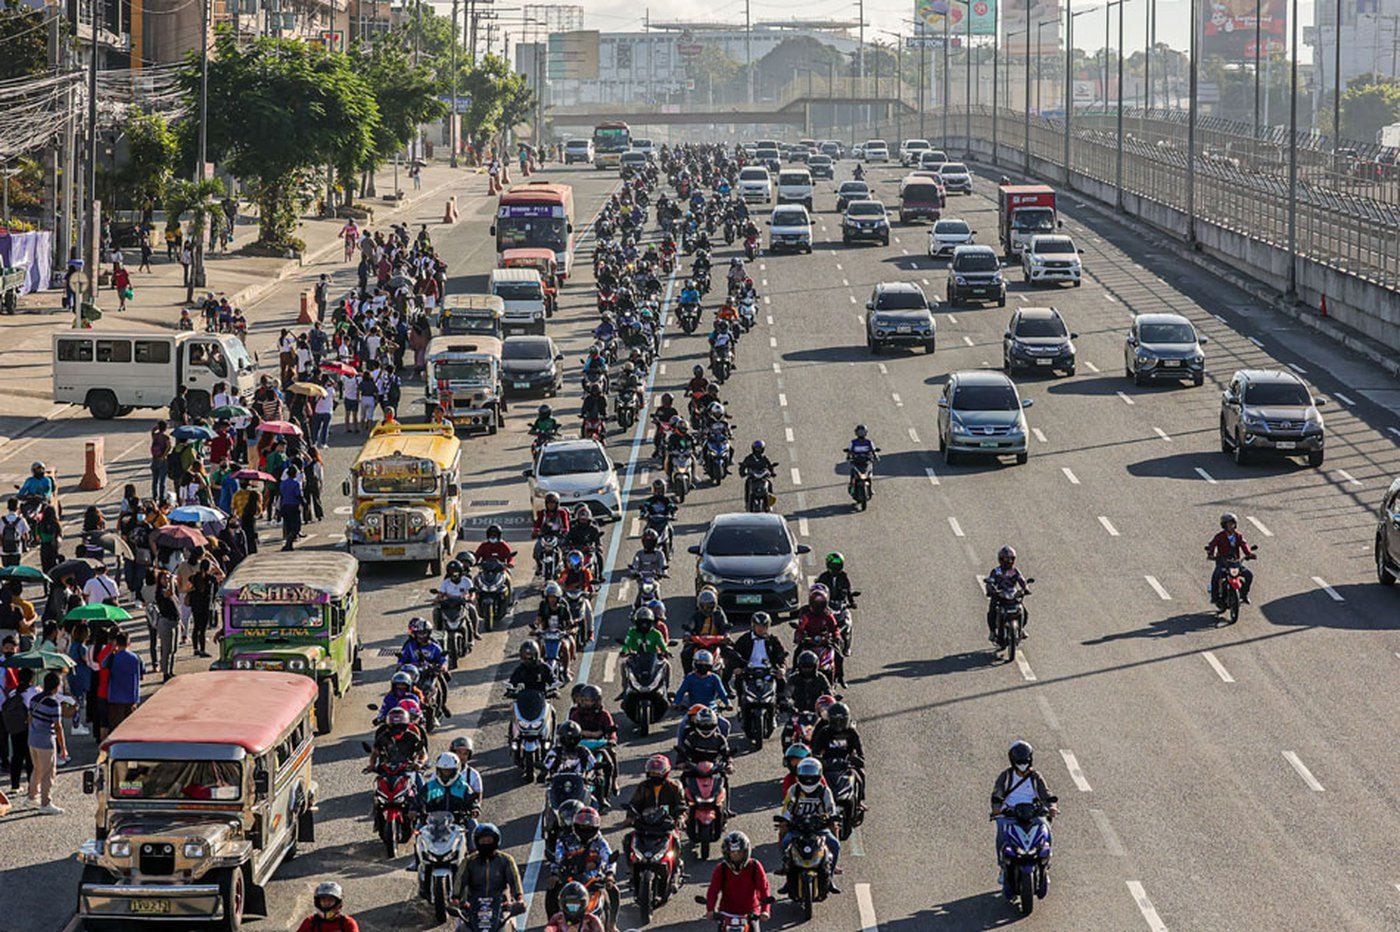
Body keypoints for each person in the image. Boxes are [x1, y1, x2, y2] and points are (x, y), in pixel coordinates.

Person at [991, 741, 1058, 886]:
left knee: (1046, 829)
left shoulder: (1036, 777)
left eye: (1025, 761)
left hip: (1033, 812)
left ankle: (1045, 866)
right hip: (1010, 813)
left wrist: (1052, 807)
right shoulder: (1006, 776)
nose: (1023, 764)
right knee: (1002, 831)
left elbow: (1046, 794)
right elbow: (997, 794)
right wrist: (997, 809)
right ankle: (1002, 867)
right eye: (1020, 761)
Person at [777, 759, 841, 891]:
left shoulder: (824, 791)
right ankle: (788, 876)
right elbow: (787, 808)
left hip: (819, 827)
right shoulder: (794, 790)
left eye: (811, 774)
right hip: (798, 827)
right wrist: (785, 820)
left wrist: (831, 818)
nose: (808, 777)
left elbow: (830, 808)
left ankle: (830, 878)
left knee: (835, 845)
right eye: (805, 774)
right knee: (785, 843)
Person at [548, 807, 618, 927]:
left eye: (589, 826)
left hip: (593, 881)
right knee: (551, 891)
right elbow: (557, 858)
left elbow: (609, 858)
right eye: (583, 825)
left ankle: (612, 925)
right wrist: (554, 874)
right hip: (569, 879)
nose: (586, 828)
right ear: (575, 825)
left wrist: (609, 875)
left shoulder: (600, 842)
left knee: (613, 890)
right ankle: (552, 924)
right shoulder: (565, 840)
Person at [409, 752, 480, 869]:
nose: (446, 774)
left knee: (473, 824)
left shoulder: (463, 786)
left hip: (457, 822)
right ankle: (418, 860)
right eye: (443, 771)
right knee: (418, 830)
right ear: (438, 770)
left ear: (455, 770)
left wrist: (474, 808)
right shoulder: (430, 786)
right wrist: (413, 809)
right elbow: (418, 799)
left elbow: (472, 800)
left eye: (449, 771)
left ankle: (474, 858)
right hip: (433, 823)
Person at [452, 823, 525, 916]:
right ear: (477, 842)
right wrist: (456, 899)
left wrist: (519, 899)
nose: (486, 843)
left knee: (510, 924)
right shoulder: (469, 861)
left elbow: (514, 880)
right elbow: (460, 880)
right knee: (461, 924)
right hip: (472, 907)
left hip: (503, 906)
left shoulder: (506, 860)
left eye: (489, 840)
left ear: (496, 841)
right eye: (483, 841)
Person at [705, 831, 771, 928]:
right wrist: (710, 909)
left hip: (750, 913)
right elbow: (713, 890)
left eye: (739, 852)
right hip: (727, 913)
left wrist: (765, 910)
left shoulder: (755, 866)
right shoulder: (721, 868)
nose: (736, 855)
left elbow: (763, 888)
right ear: (727, 853)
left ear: (746, 852)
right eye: (732, 853)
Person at [25, 671, 67, 814]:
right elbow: (58, 727)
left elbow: (30, 717)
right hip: (46, 741)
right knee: (48, 773)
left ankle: (32, 797)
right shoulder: (54, 703)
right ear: (57, 686)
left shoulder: (34, 699)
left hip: (33, 738)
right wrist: (63, 747)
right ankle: (46, 803)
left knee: (37, 769)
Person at [793, 586, 846, 687]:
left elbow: (835, 628)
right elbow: (800, 628)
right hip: (809, 641)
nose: (818, 605)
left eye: (821, 603)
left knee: (839, 656)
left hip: (824, 641)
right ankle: (794, 673)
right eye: (816, 603)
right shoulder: (806, 615)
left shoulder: (828, 615)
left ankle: (839, 677)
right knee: (797, 652)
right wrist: (799, 637)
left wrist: (836, 636)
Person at [984, 545, 1031, 643]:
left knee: (1024, 611)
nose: (1008, 561)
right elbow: (990, 581)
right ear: (1001, 559)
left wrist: (1025, 588)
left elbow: (1021, 580)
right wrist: (990, 590)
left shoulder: (1015, 571)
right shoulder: (996, 571)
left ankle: (1021, 629)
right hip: (1000, 595)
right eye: (1006, 559)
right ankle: (992, 632)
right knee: (992, 611)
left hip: (1012, 595)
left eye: (1010, 559)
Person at [1206, 512, 1254, 606]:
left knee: (1249, 575)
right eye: (1229, 524)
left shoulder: (1238, 536)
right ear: (1224, 525)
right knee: (1216, 576)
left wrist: (1249, 554)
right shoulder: (1219, 536)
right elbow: (1212, 545)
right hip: (1222, 562)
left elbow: (1244, 545)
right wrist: (1211, 554)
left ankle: (1244, 595)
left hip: (1235, 563)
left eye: (1232, 523)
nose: (1231, 526)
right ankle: (1214, 597)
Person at [102, 632, 144, 732]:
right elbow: (141, 675)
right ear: (128, 642)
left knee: (115, 728)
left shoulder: (113, 658)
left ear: (116, 643)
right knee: (129, 729)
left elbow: (103, 664)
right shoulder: (136, 658)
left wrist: (112, 651)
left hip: (115, 698)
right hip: (131, 698)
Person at [367, 706, 427, 771]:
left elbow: (423, 753)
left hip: (409, 769)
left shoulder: (412, 736)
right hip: (388, 770)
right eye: (394, 724)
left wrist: (420, 763)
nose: (397, 727)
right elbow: (375, 752)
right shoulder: (383, 737)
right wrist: (372, 764)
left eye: (400, 724)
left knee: (420, 777)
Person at [295, 881, 360, 932]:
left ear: (338, 903)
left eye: (330, 900)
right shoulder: (310, 922)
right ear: (318, 902)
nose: (326, 903)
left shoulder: (347, 923)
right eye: (323, 900)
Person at [532, 492, 570, 573]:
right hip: (545, 536)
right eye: (549, 503)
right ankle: (539, 566)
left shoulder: (562, 513)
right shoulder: (542, 513)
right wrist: (536, 531)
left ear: (557, 503)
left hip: (558, 536)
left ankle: (566, 568)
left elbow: (566, 525)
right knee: (537, 548)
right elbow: (537, 525)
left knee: (566, 550)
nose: (551, 505)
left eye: (553, 502)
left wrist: (564, 531)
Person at [279, 465, 304, 551]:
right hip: (293, 506)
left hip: (284, 506)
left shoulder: (283, 483)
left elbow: (281, 495)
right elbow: (298, 495)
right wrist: (303, 503)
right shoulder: (296, 484)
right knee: (296, 527)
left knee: (288, 526)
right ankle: (288, 543)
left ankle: (289, 545)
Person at [1, 499, 30, 568]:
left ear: (8, 507)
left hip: (4, 550)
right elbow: (26, 536)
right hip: (16, 550)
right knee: (15, 570)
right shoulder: (21, 520)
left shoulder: (2, 520)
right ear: (17, 508)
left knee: (6, 570)